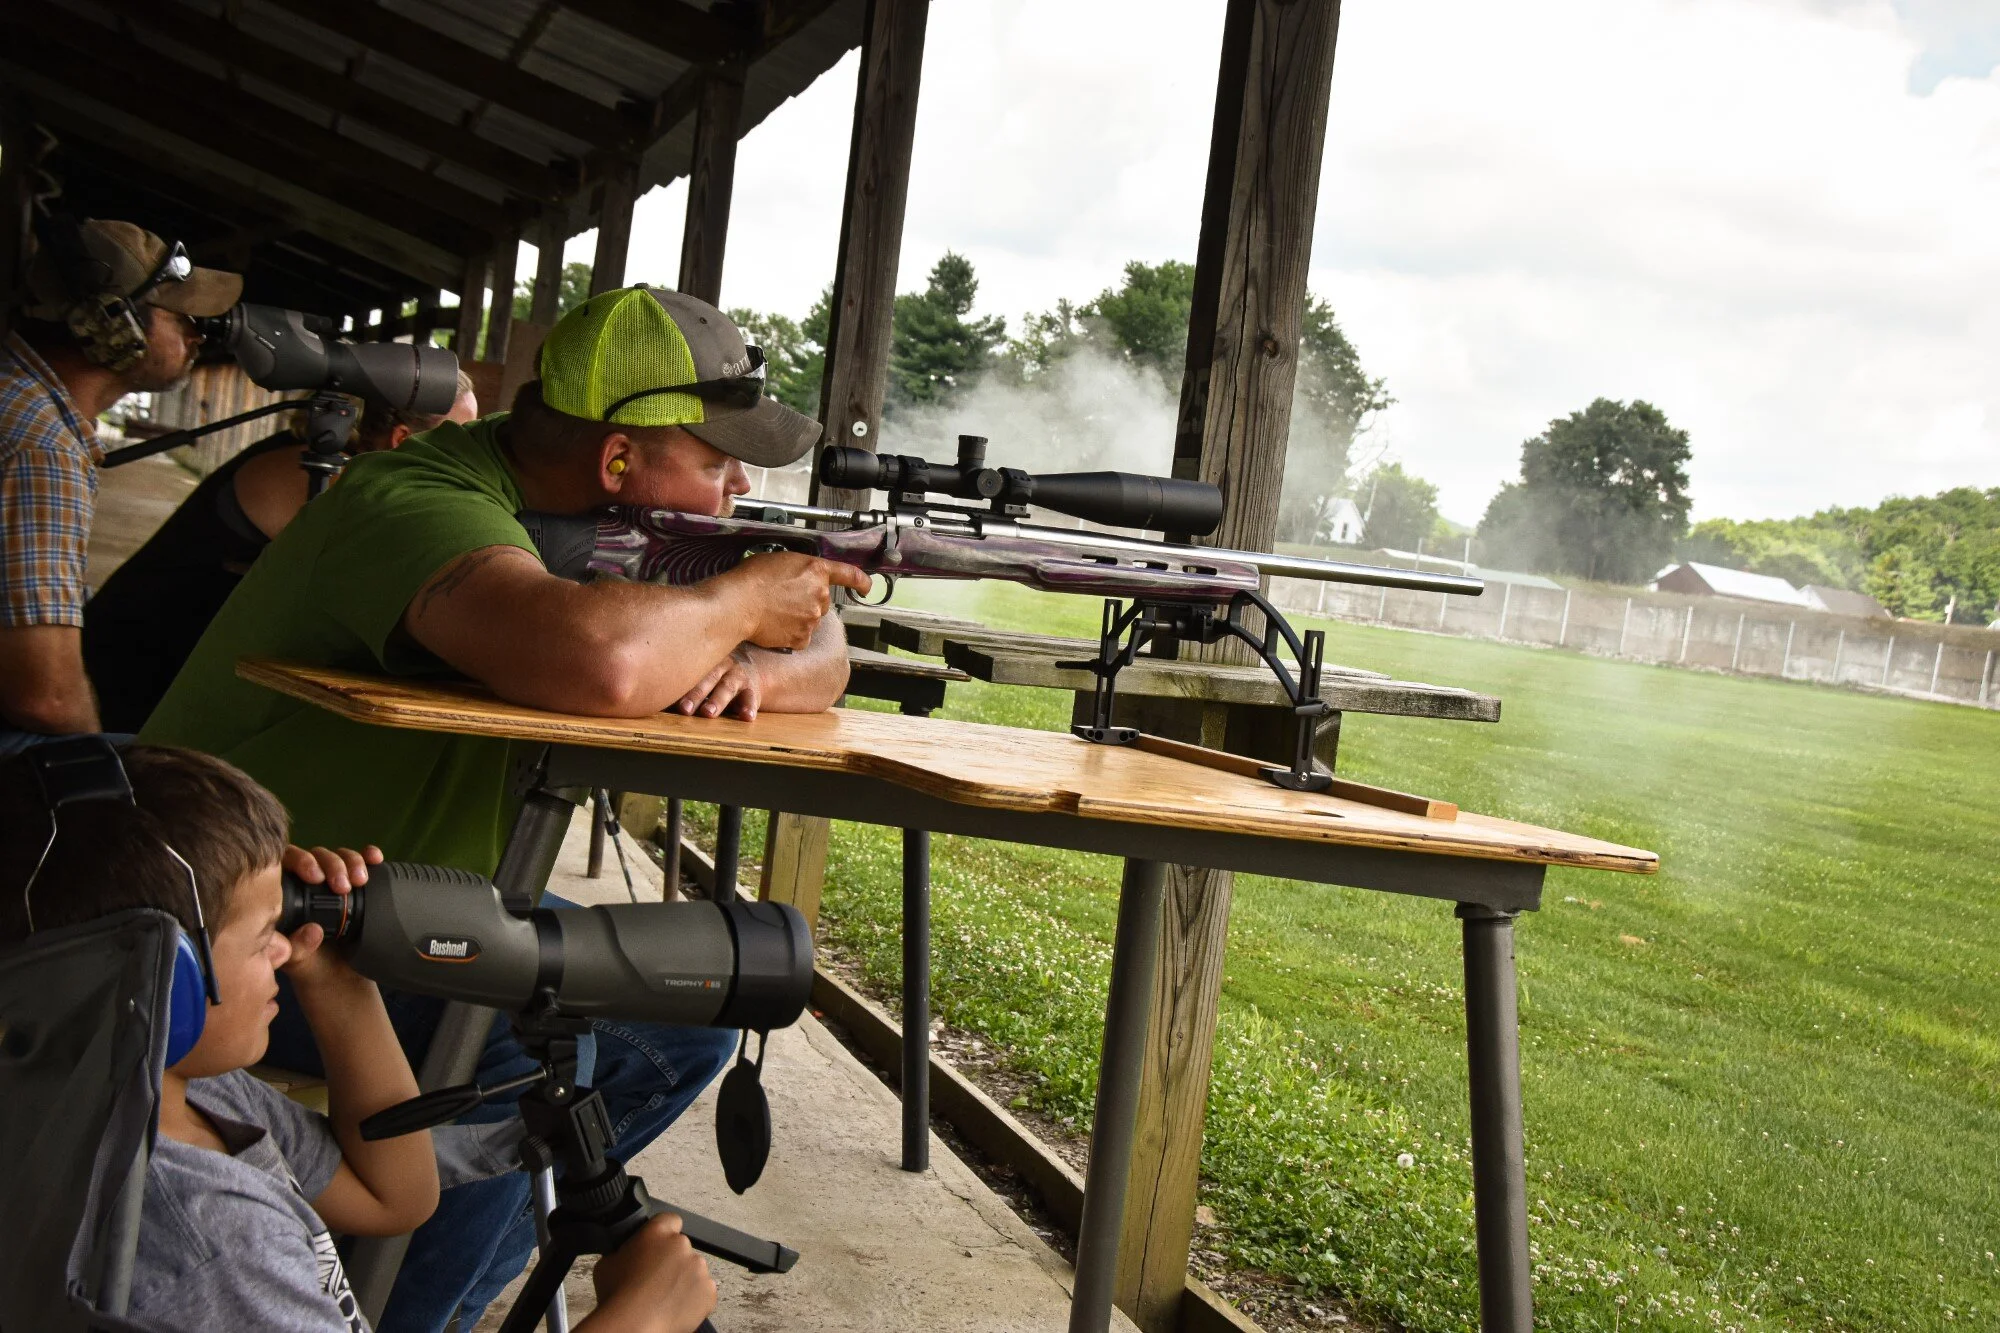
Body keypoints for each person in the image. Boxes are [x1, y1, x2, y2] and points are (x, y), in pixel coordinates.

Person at [143, 285, 868, 1331]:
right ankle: (388, 1310)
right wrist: (739, 604)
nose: (739, 486)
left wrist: (746, 650)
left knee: (685, 1003)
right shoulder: (414, 497)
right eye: (717, 460)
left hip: (387, 902)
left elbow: (822, 644)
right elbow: (607, 663)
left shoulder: (597, 529)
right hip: (226, 932)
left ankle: (393, 1278)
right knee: (572, 1045)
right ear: (617, 462)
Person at [0, 741, 719, 1332]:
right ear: (166, 978)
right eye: (263, 935)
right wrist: (639, 1321)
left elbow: (394, 1198)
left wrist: (338, 983)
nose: (285, 947)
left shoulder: (171, 1091)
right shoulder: (210, 1238)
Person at [82, 369, 482, 733]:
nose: (469, 458)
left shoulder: (317, 457)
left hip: (160, 662)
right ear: (403, 439)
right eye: (458, 441)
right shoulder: (318, 474)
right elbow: (389, 587)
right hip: (124, 677)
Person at [0, 218, 239, 750]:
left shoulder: (18, 396)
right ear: (113, 322)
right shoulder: (42, 449)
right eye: (181, 318)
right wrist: (107, 771)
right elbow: (46, 697)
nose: (198, 336)